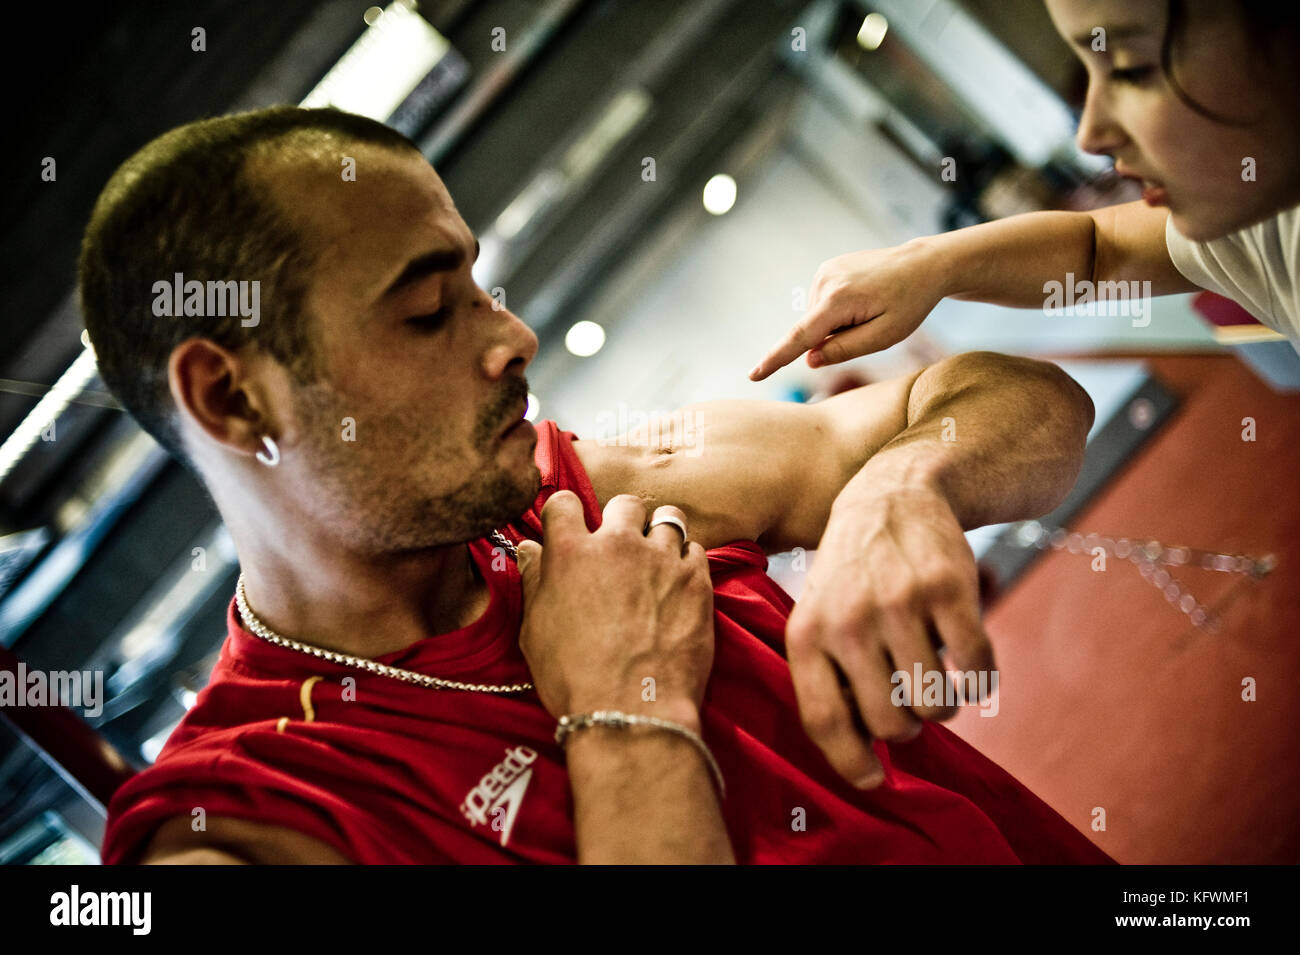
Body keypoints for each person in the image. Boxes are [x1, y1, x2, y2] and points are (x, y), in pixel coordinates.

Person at [83, 106, 1107, 864]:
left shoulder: (593, 497)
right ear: (233, 399)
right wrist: (628, 708)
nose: (511, 338)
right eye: (433, 311)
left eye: (479, 283)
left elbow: (1031, 405)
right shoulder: (248, 825)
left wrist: (906, 486)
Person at [749, 0, 1300, 381]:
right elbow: (1097, 254)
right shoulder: (1256, 230)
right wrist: (926, 266)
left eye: (1131, 70)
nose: (1092, 134)